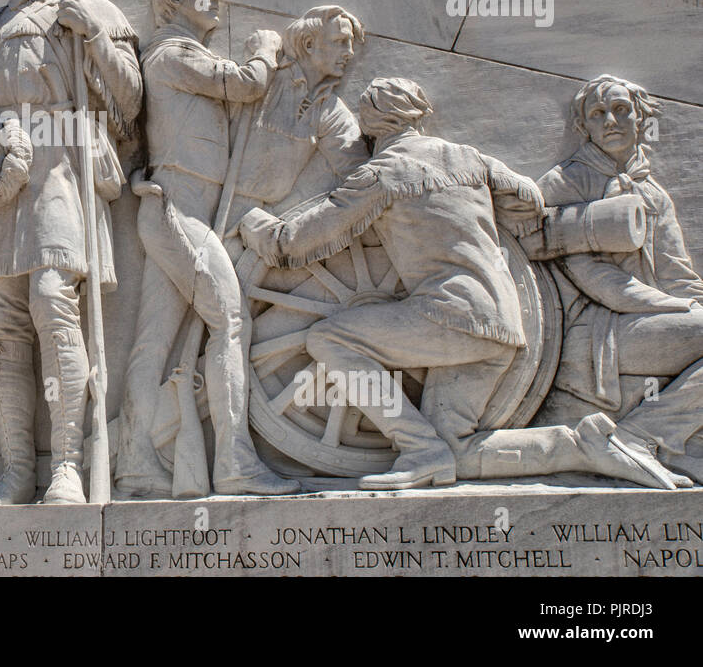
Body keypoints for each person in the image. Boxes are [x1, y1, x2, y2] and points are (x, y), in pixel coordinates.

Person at [239, 77, 680, 491]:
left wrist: (256, 224)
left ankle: (416, 446)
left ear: (371, 125)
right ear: (421, 115)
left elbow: (294, 244)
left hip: (447, 318)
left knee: (330, 338)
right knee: (458, 451)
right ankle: (581, 445)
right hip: (506, 325)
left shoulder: (382, 174)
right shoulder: (471, 158)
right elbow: (530, 196)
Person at [0, 0, 142, 505]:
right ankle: (14, 470)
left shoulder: (91, 8)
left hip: (61, 164)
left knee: (53, 299)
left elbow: (130, 101)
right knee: (5, 324)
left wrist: (95, 38)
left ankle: (66, 464)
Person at [115, 0, 300, 498]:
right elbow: (244, 85)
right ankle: (236, 461)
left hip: (183, 206)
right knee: (231, 322)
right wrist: (264, 48)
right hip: (181, 207)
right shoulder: (173, 53)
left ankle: (135, 464)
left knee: (152, 343)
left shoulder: (181, 53)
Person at [537, 75, 703, 484]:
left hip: (644, 321)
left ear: (640, 118)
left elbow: (677, 275)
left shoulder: (654, 194)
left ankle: (672, 441)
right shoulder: (564, 183)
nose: (611, 120)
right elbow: (593, 276)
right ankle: (640, 435)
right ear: (583, 127)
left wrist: (692, 303)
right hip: (589, 331)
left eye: (621, 109)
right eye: (598, 114)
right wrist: (674, 308)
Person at [224, 4, 368, 260]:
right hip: (218, 206)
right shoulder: (268, 81)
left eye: (351, 44)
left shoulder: (331, 110)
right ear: (309, 44)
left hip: (260, 221)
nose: (350, 52)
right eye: (340, 42)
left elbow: (357, 172)